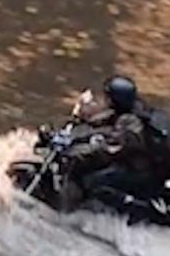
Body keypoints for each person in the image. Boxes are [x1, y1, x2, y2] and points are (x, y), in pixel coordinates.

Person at [60, 75, 154, 213]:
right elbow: (104, 120)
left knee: (90, 182)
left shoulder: (131, 124)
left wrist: (80, 154)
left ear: (116, 100)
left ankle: (89, 213)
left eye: (108, 97)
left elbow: (110, 149)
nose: (106, 100)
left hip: (134, 169)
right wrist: (85, 120)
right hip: (131, 162)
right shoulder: (127, 110)